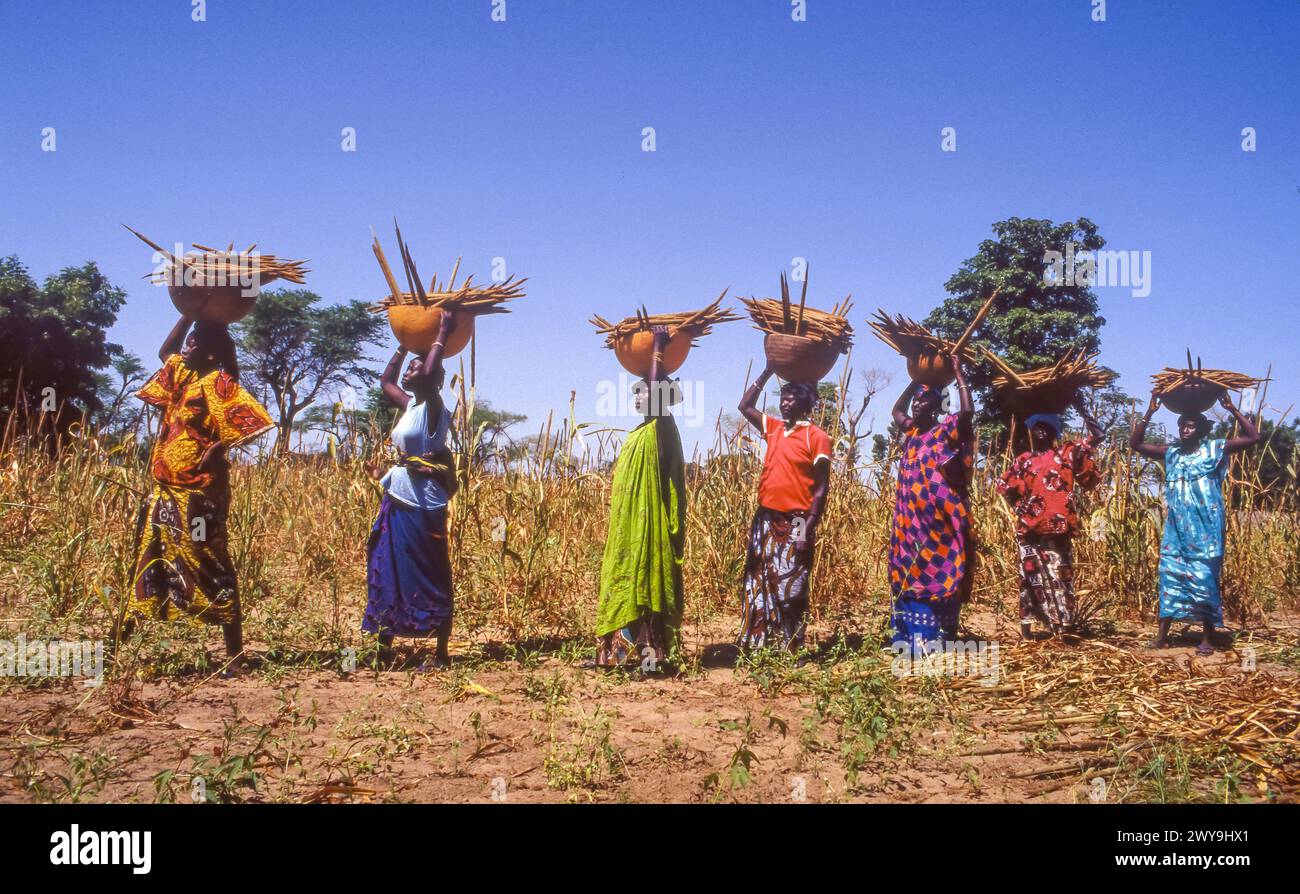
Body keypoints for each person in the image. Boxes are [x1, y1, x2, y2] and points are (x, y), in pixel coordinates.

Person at [123, 315, 274, 675]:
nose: (187, 346)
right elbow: (166, 351)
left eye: (196, 342)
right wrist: (189, 311)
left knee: (210, 561)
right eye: (188, 340)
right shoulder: (181, 375)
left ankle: (235, 656)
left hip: (200, 490)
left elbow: (253, 422)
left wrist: (220, 446)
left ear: (212, 354)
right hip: (165, 487)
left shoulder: (217, 383)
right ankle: (119, 637)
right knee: (149, 555)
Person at [1131, 390, 1260, 654]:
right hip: (1176, 531)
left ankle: (1207, 639)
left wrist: (1232, 409)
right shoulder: (1172, 453)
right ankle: (1162, 636)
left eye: (1190, 426)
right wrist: (1150, 411)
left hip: (1205, 529)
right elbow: (1136, 444)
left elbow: (1253, 437)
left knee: (1204, 581)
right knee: (1169, 577)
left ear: (1201, 429)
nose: (1184, 430)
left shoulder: (1214, 449)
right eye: (1181, 425)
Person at [364, 311, 458, 669]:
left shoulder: (434, 407)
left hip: (424, 504)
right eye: (410, 369)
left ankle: (441, 654)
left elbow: (432, 374)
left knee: (429, 570)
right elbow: (386, 381)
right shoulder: (411, 406)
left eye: (416, 369)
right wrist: (403, 345)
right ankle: (383, 647)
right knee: (388, 567)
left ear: (432, 379)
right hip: (398, 496)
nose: (409, 373)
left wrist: (443, 333)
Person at [594, 326, 686, 670]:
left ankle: (648, 658)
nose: (637, 396)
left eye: (644, 391)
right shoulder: (641, 431)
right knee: (623, 579)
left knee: (645, 582)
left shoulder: (661, 426)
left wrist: (658, 348)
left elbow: (660, 390)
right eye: (636, 391)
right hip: (629, 529)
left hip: (650, 530)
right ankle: (620, 655)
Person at [735, 370, 831, 653]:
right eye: (783, 399)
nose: (785, 404)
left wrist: (806, 529)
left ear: (805, 405)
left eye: (791, 400)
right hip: (765, 518)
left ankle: (792, 648)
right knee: (759, 582)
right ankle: (760, 645)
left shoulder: (817, 437)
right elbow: (744, 406)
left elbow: (821, 489)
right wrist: (766, 372)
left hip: (797, 519)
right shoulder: (774, 428)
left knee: (792, 587)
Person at [997, 397, 1104, 639]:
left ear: (1055, 431)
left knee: (1060, 577)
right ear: (1031, 431)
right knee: (1030, 577)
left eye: (1047, 428)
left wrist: (1081, 407)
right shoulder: (1024, 461)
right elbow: (1004, 486)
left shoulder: (1066, 454)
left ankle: (1063, 628)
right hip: (1030, 530)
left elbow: (1097, 436)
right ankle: (1027, 629)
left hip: (1058, 529)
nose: (1042, 432)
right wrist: (1022, 508)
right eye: (1038, 427)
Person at [887, 359, 975, 654]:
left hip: (940, 524)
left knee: (940, 572)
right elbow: (896, 410)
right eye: (916, 400)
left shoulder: (945, 430)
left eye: (924, 400)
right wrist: (917, 378)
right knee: (908, 572)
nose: (916, 405)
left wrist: (958, 374)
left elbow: (966, 413)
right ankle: (908, 640)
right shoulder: (912, 433)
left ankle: (937, 638)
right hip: (909, 523)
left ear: (936, 407)